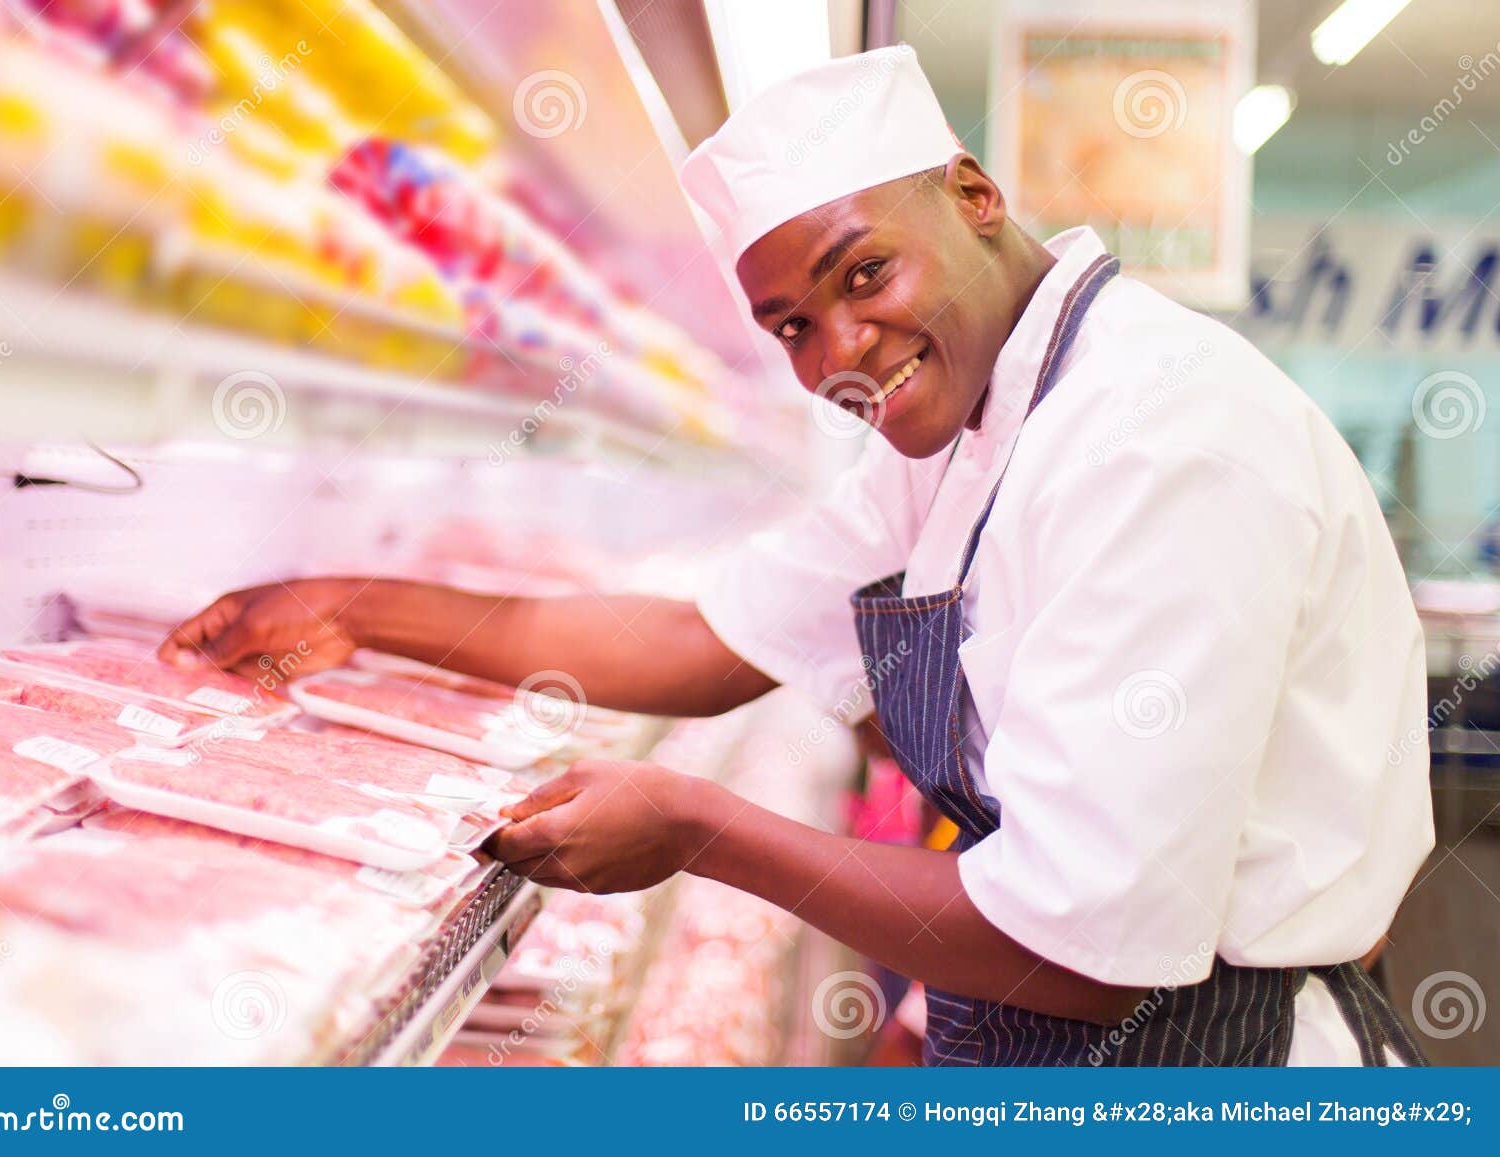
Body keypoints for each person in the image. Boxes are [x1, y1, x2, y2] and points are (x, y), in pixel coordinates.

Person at [161, 46, 1434, 1066]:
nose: (836, 354)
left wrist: (702, 827)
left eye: (864, 272)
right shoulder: (963, 432)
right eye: (789, 324)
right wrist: (351, 605)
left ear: (976, 195)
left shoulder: (1157, 438)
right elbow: (700, 640)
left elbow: (1086, 948)